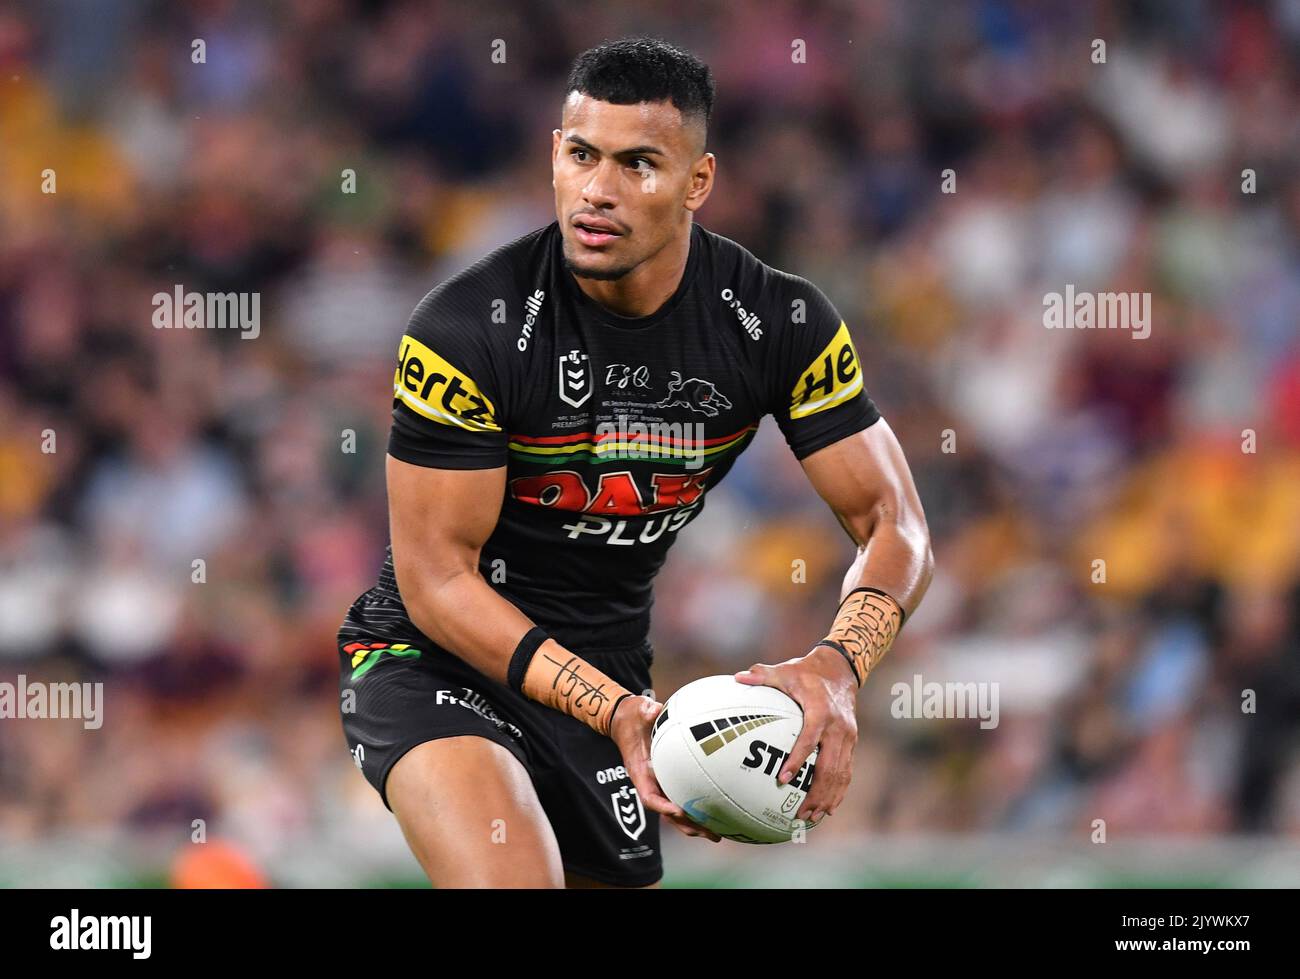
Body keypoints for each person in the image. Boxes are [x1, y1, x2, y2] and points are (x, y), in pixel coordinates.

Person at [337, 36, 933, 888]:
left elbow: (896, 522)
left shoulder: (779, 323)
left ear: (699, 181)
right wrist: (609, 706)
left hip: (613, 675)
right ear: (554, 154)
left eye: (639, 164)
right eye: (581, 155)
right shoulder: (468, 329)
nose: (599, 190)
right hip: (431, 659)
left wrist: (839, 668)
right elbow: (437, 582)